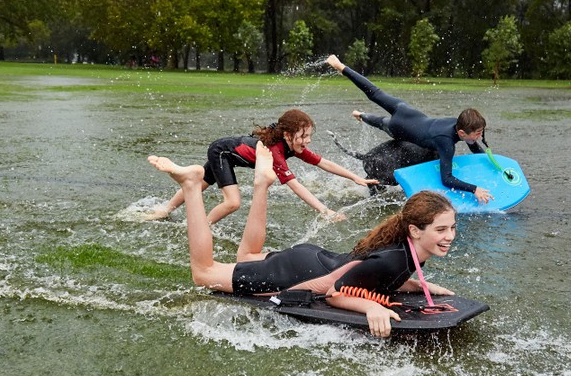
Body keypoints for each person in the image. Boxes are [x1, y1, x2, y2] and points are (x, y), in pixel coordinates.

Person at [147, 143, 456, 337]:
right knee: (203, 273)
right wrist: (370, 309)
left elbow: (371, 274)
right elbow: (336, 294)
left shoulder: (407, 250)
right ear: (415, 230)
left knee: (247, 256)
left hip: (311, 261)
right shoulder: (395, 258)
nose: (449, 237)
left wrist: (412, 285)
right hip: (299, 274)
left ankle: (261, 184)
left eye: (452, 228)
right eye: (441, 230)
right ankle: (190, 185)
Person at [146, 109, 378, 225]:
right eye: (303, 136)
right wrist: (325, 210)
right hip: (222, 152)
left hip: (227, 152)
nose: (307, 141)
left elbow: (323, 163)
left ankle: (165, 210)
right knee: (233, 202)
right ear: (287, 135)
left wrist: (355, 178)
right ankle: (200, 227)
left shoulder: (291, 145)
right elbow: (295, 186)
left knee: (200, 182)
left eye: (309, 136)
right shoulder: (275, 151)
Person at [325, 55, 492, 204]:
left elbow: (472, 143)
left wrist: (487, 160)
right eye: (477, 133)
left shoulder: (459, 122)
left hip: (406, 111)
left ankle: (342, 68)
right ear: (462, 133)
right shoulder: (446, 143)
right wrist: (474, 189)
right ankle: (362, 115)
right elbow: (447, 179)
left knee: (375, 92)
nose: (479, 137)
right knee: (384, 122)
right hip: (399, 128)